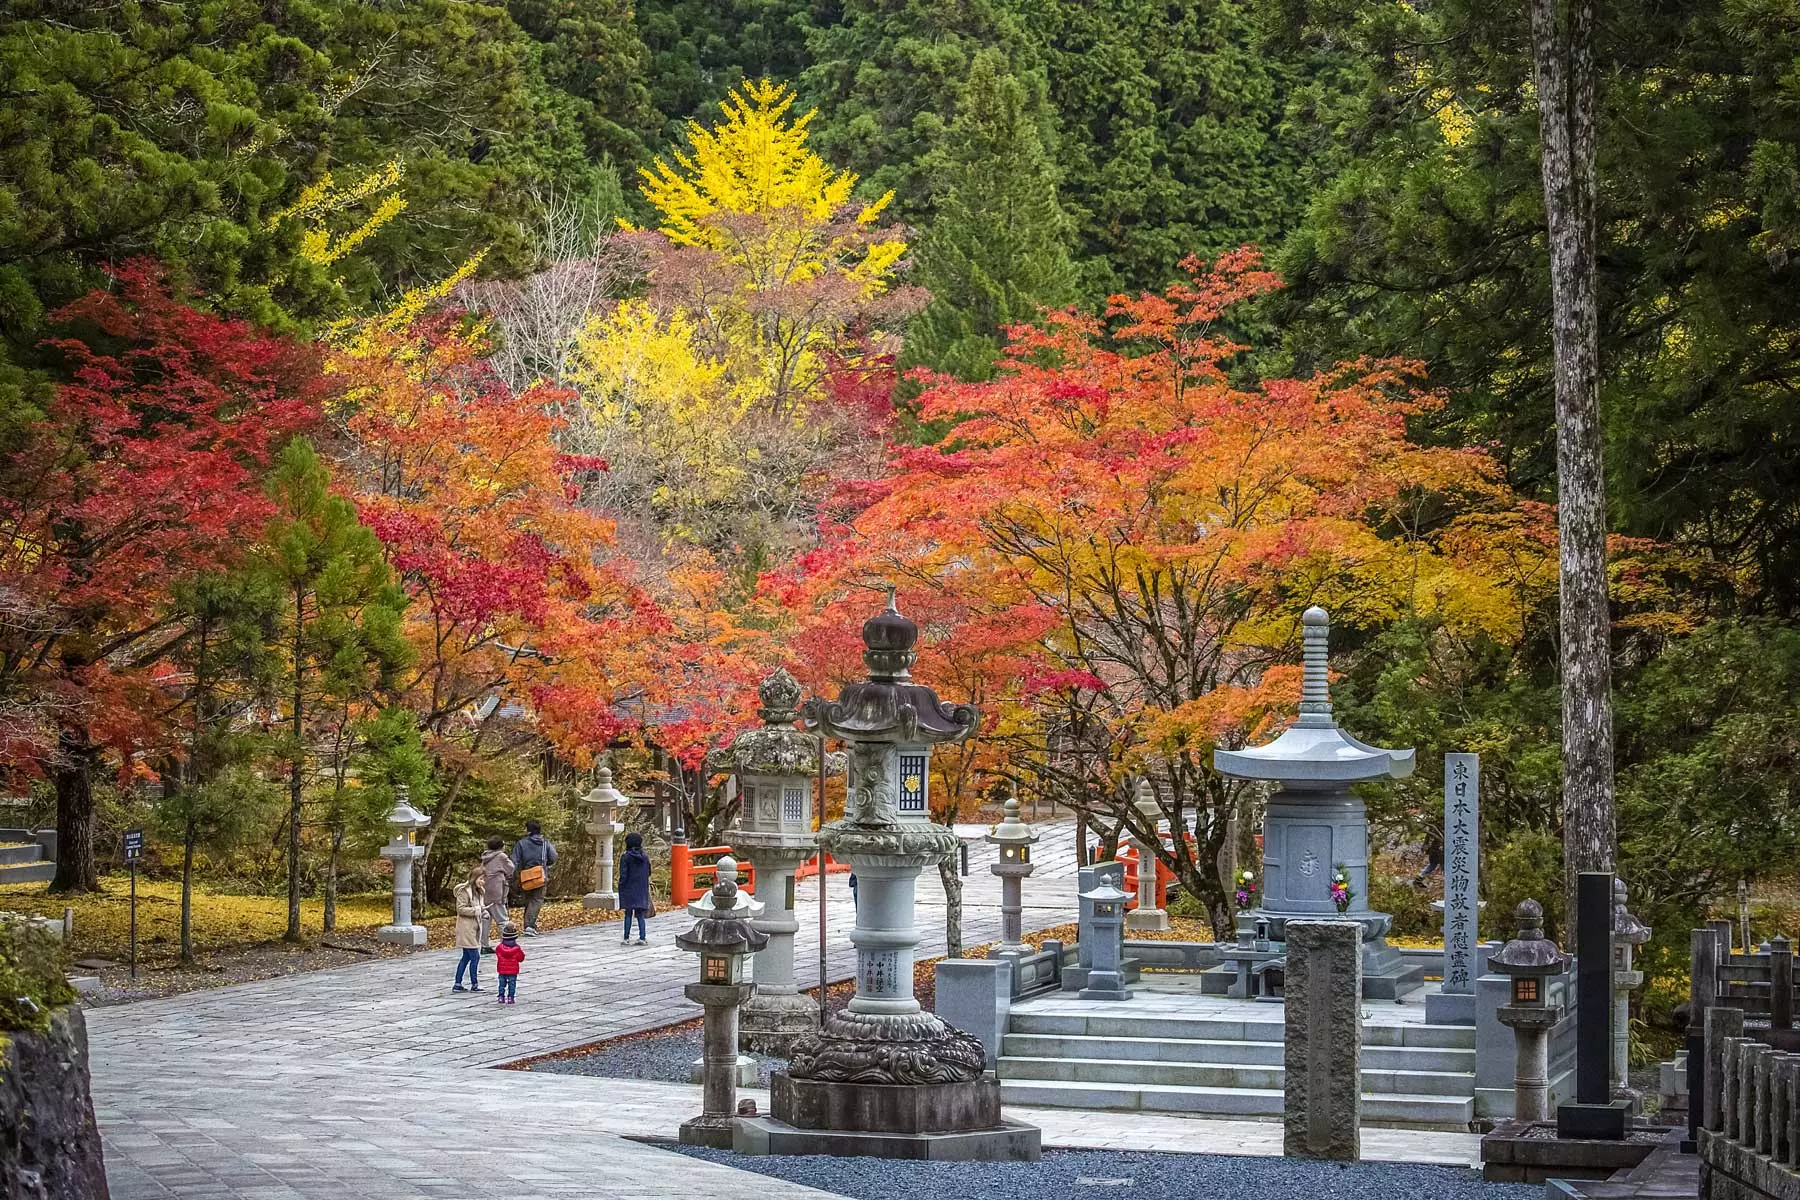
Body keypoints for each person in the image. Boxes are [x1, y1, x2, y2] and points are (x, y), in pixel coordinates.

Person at [511, 819, 558, 936]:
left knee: (528, 899)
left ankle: (529, 925)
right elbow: (553, 857)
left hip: (525, 876)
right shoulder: (545, 843)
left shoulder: (521, 843)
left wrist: (515, 874)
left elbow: (514, 860)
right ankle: (529, 926)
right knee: (536, 900)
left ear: (528, 830)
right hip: (540, 876)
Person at [452, 868, 485, 993]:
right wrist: (476, 910)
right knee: (475, 956)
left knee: (466, 957)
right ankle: (474, 983)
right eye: (480, 879)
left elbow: (479, 907)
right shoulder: (464, 891)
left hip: (474, 927)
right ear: (474, 878)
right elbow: (461, 909)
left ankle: (458, 983)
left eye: (483, 879)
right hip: (466, 928)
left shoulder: (479, 891)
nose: (482, 882)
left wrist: (483, 912)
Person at [618, 831, 652, 945]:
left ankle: (626, 938)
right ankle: (642, 937)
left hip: (628, 888)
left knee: (628, 913)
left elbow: (623, 874)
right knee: (640, 914)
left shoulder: (626, 857)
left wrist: (621, 886)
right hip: (641, 889)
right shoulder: (644, 857)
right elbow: (649, 872)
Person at [479, 836, 513, 952]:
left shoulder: (485, 857)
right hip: (497, 890)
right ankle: (506, 944)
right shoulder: (501, 856)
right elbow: (511, 868)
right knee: (502, 919)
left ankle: (483, 945)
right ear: (501, 846)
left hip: (484, 890)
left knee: (485, 919)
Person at [493, 922, 524, 1004]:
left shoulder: (499, 947)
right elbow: (521, 958)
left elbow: (498, 955)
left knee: (501, 984)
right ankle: (510, 997)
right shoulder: (517, 948)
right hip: (513, 970)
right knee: (512, 984)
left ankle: (501, 997)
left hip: (502, 969)